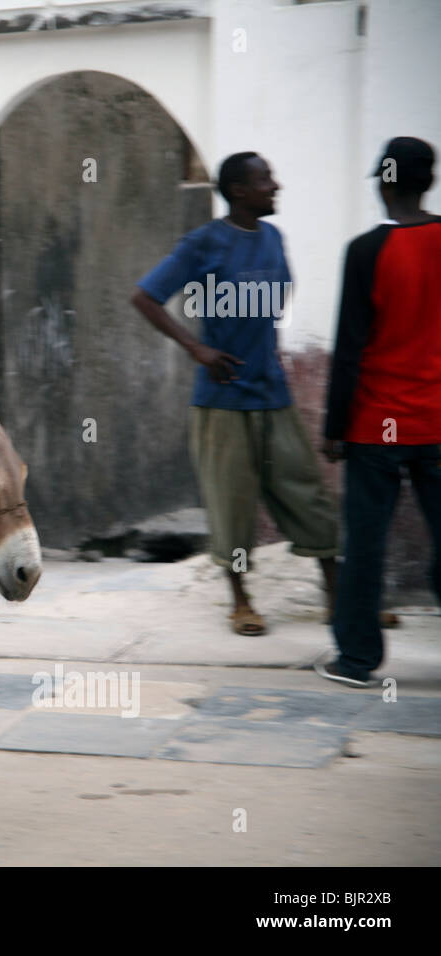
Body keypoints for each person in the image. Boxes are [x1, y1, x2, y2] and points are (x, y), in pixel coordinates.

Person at [131, 152, 340, 635]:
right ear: (240, 191)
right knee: (233, 504)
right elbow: (144, 297)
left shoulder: (273, 239)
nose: (276, 185)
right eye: (266, 179)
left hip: (273, 395)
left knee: (307, 494)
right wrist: (195, 348)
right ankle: (241, 601)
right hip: (221, 402)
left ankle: (337, 595)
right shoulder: (204, 244)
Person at [317, 136, 441, 688]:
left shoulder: (366, 251)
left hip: (377, 427)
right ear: (428, 182)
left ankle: (357, 660)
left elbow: (349, 349)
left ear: (385, 183)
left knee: (366, 547)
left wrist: (334, 428)